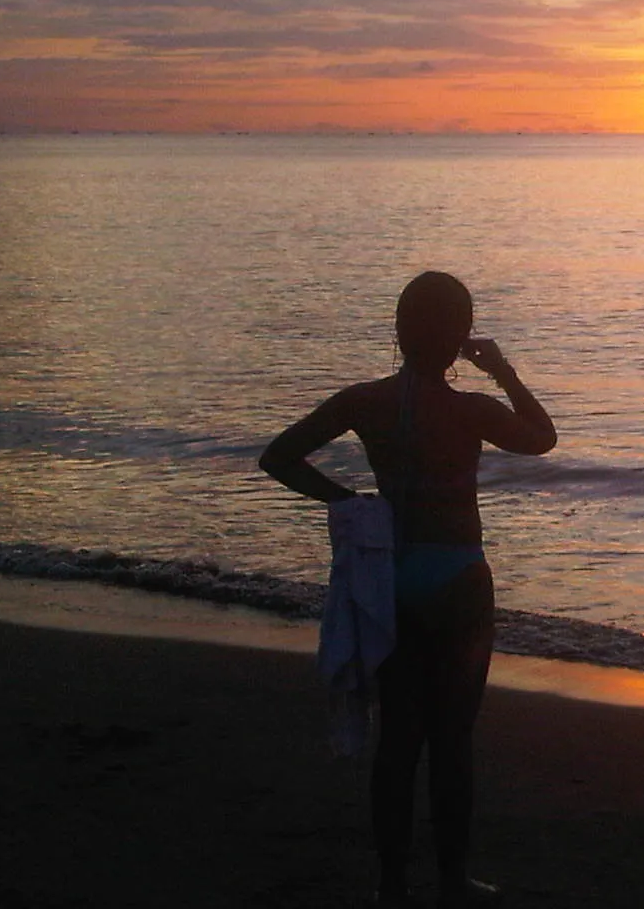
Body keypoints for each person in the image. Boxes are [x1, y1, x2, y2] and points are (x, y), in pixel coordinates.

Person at [259, 271, 556, 908]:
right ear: (460, 340)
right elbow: (542, 437)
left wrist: (352, 504)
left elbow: (278, 457)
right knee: (452, 741)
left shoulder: (364, 400)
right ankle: (451, 880)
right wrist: (502, 370)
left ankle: (392, 884)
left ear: (398, 331)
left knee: (399, 740)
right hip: (458, 581)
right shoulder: (470, 408)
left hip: (392, 576)